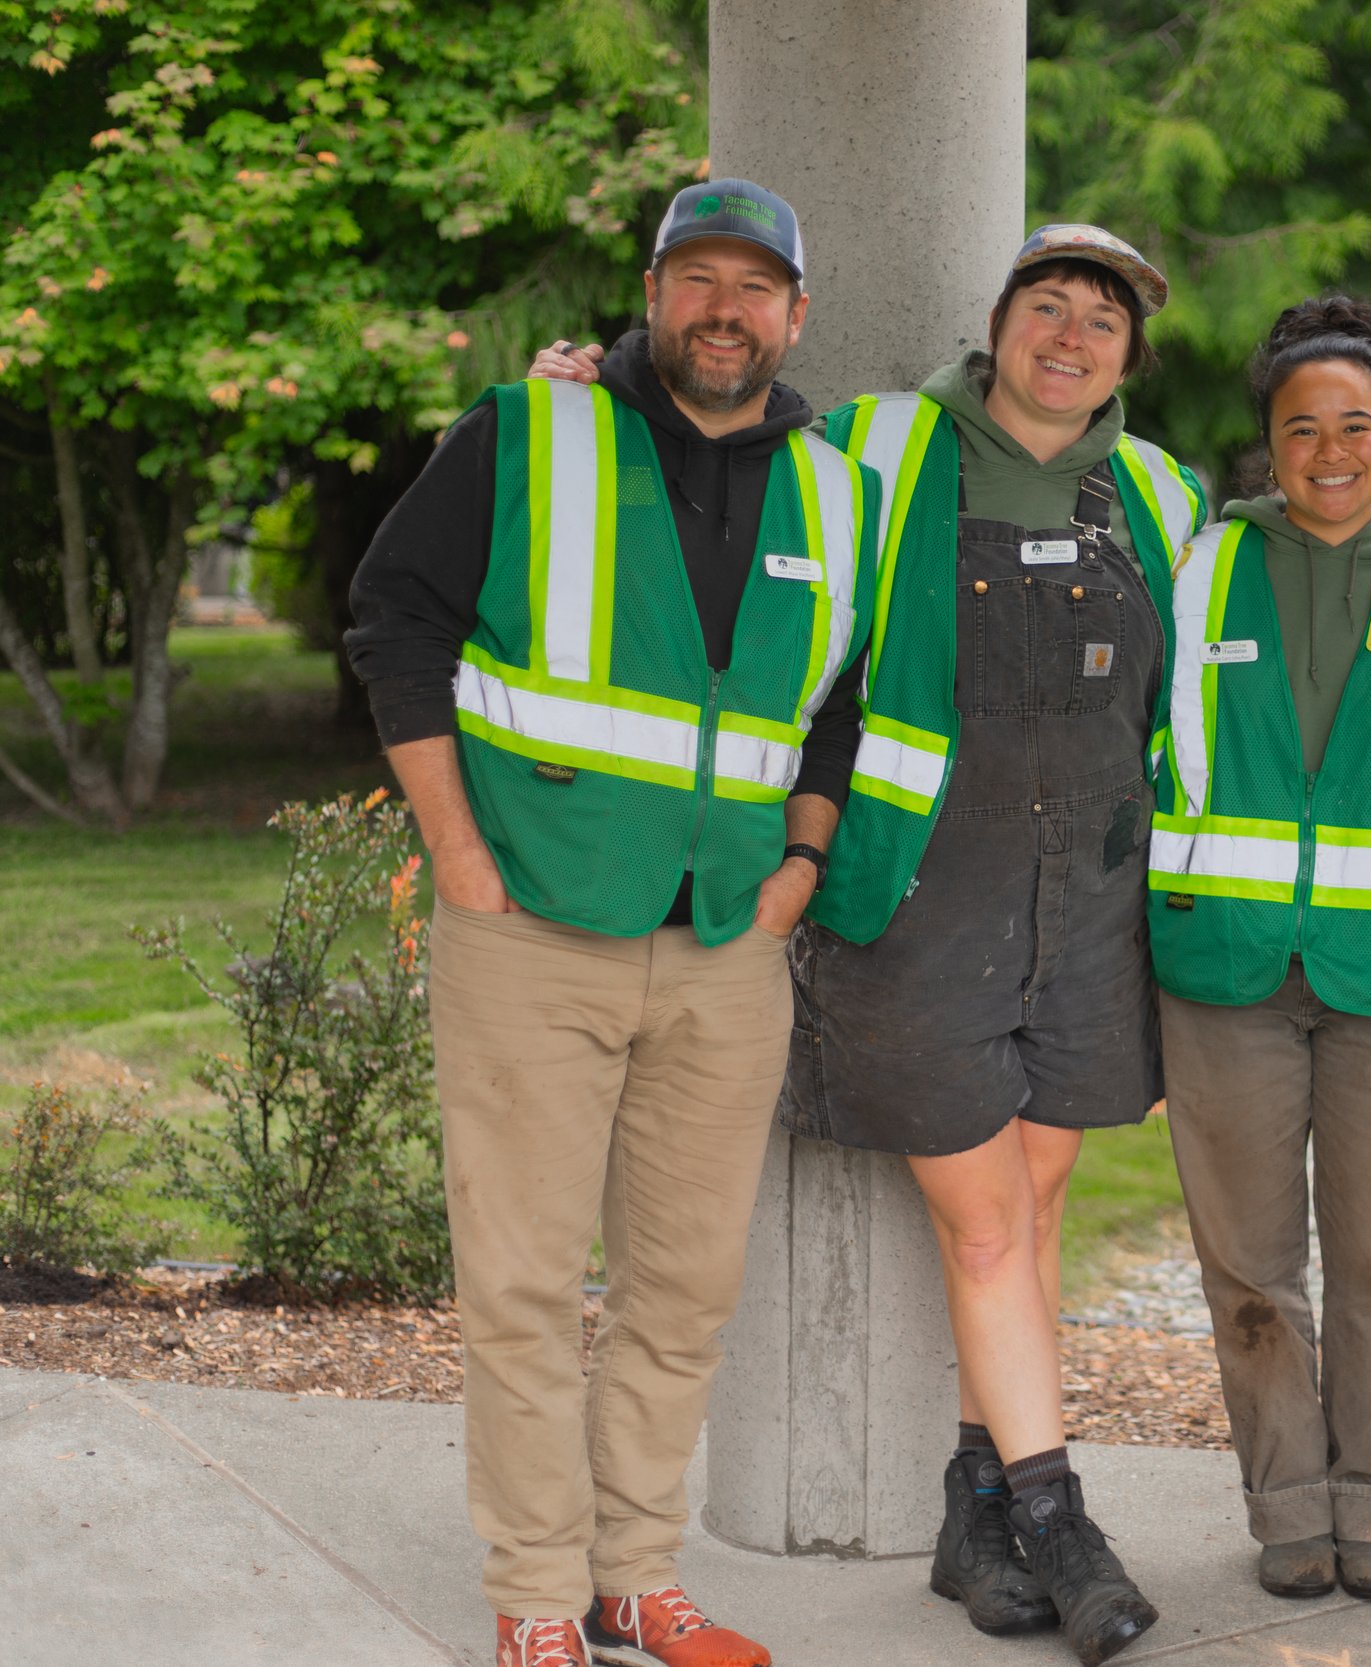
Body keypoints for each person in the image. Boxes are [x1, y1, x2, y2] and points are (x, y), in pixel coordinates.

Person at [528, 222, 1204, 1667]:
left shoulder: (1157, 490)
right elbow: (708, 473)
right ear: (997, 320)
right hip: (916, 893)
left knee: (1036, 1191)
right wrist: (592, 397)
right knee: (985, 1220)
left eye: (1103, 318)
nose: (1071, 333)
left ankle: (974, 1511)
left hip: (1080, 904)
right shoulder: (878, 449)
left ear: (1130, 356)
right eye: (1047, 304)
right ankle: (1059, 1515)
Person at [347, 179, 868, 1667]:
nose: (726, 309)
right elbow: (395, 623)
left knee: (684, 1282)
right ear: (652, 293)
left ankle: (637, 1571)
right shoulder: (529, 431)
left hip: (724, 943)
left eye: (755, 286)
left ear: (795, 314)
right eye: (698, 278)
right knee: (517, 1279)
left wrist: (802, 869)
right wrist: (453, 851)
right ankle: (534, 1591)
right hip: (531, 926)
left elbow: (842, 706)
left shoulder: (838, 490)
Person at [1149, 297, 1371, 1604]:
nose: (1331, 449)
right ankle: (1286, 1496)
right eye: (1304, 427)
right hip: (1222, 968)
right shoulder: (1195, 571)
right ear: (1269, 443)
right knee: (1248, 1262)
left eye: (1357, 424)